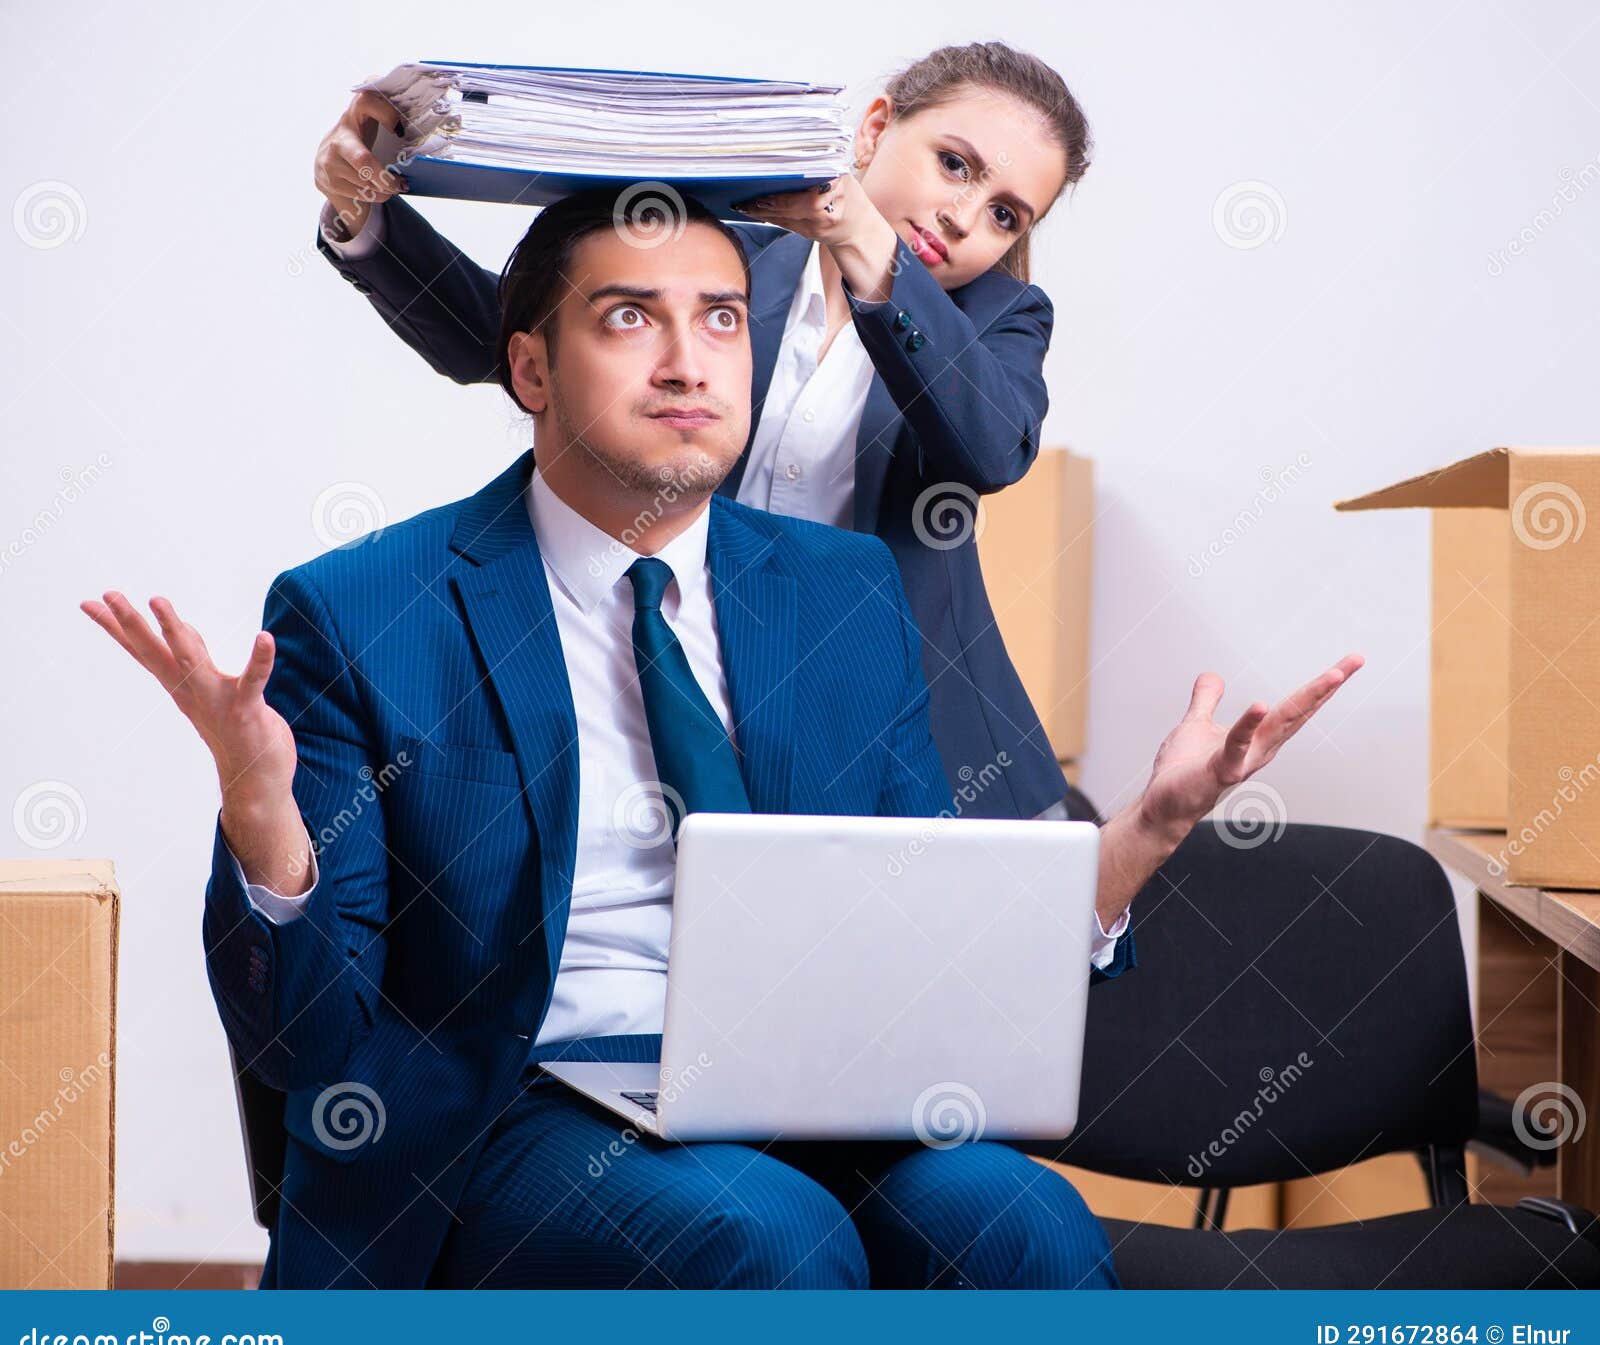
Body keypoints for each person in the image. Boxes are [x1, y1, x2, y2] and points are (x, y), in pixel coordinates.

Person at [83, 190, 1361, 1289]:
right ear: (530, 369)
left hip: (805, 1094)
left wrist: (1148, 829)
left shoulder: (839, 591)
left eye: (721, 320)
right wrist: (262, 808)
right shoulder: (363, 610)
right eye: (630, 317)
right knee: (767, 1237)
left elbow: (930, 931)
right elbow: (303, 1042)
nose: (689, 363)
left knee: (1019, 1224)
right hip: (517, 1112)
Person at [313, 41, 1105, 827]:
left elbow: (992, 446)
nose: (962, 218)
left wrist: (872, 247)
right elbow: (513, 334)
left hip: (921, 741)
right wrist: (367, 219)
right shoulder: (724, 264)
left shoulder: (998, 319)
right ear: (873, 128)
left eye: (1005, 215)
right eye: (954, 165)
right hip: (713, 685)